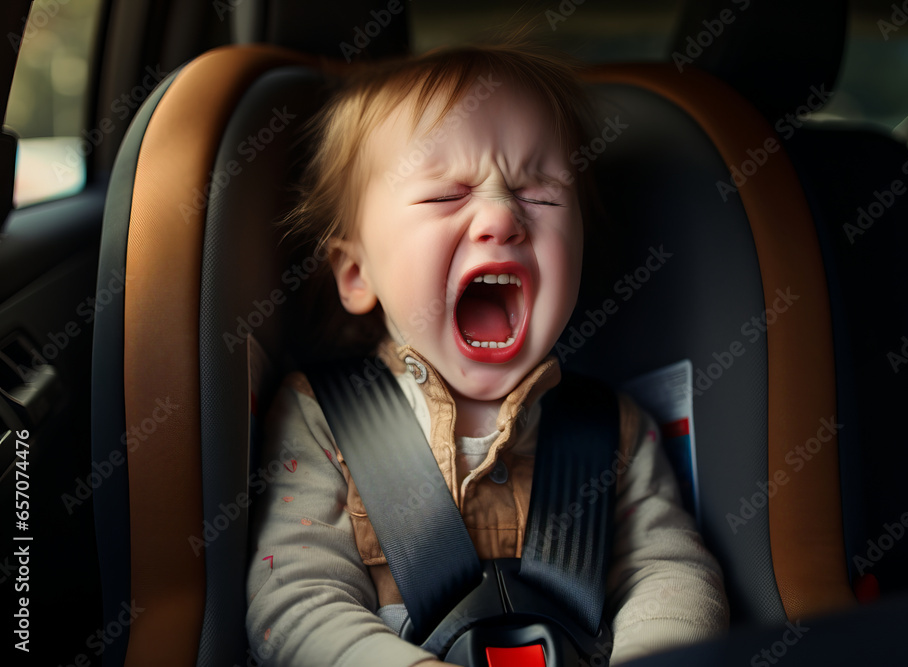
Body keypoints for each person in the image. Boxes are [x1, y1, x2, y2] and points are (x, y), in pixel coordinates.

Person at [245, 42, 728, 667]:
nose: (502, 216)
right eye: (445, 195)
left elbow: (673, 578)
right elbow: (293, 601)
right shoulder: (322, 419)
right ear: (357, 273)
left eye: (541, 195)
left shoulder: (614, 430)